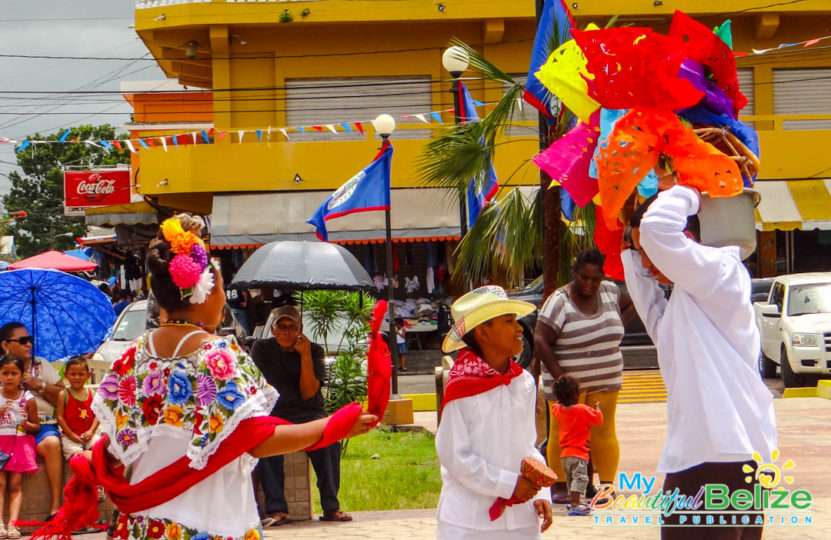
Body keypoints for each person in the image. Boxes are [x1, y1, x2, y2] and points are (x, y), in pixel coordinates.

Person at [80, 215, 377, 540]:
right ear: (203, 292)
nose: (225, 298)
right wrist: (332, 426)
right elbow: (256, 440)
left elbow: (117, 444)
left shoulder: (130, 357)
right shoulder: (217, 357)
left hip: (143, 523)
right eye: (221, 285)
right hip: (206, 519)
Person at [622, 177, 777, 539]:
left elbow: (659, 227)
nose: (646, 263)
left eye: (645, 250)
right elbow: (649, 306)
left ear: (688, 237)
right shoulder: (688, 300)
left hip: (724, 452)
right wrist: (627, 245)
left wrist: (693, 186)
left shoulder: (720, 271)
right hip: (705, 452)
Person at [435, 286, 552, 539]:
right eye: (508, 321)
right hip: (469, 521)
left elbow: (529, 447)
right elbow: (455, 456)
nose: (519, 328)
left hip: (521, 519)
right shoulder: (460, 387)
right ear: (483, 332)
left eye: (516, 321)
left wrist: (540, 492)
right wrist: (509, 485)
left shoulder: (524, 382)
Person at [533, 249, 634, 502]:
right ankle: (559, 485)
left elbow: (633, 302)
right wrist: (560, 379)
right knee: (562, 433)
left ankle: (606, 487)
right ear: (574, 275)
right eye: (583, 278)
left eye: (595, 279)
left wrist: (617, 323)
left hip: (605, 377)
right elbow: (540, 339)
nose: (589, 284)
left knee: (603, 431)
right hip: (567, 385)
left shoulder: (610, 291)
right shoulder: (559, 300)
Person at [251, 305, 352, 526]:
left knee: (329, 442)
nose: (287, 331)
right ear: (274, 329)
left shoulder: (313, 350)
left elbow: (309, 393)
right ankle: (277, 509)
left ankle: (330, 506)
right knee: (267, 446)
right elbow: (258, 387)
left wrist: (304, 355)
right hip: (275, 413)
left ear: (300, 329)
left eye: (292, 326)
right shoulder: (262, 349)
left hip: (309, 412)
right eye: (282, 326)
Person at [0, 323, 64, 520]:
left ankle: (55, 508)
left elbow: (62, 394)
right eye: (22, 340)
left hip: (42, 425)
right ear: (5, 345)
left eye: (30, 340)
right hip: (7, 428)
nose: (28, 344)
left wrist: (40, 386)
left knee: (52, 443)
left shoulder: (41, 364)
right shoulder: (2, 370)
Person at [549, 376, 602, 516]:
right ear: (576, 395)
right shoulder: (582, 409)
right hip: (579, 453)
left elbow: (555, 405)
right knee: (581, 478)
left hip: (565, 454)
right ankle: (575, 503)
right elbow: (598, 419)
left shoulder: (557, 410)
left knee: (571, 480)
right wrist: (597, 408)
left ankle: (573, 500)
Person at [0, 355, 40, 539]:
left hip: (18, 445)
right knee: (0, 484)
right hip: (1, 444)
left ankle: (13, 524)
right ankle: (0, 523)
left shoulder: (28, 399)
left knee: (15, 485)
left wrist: (24, 423)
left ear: (22, 375)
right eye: (5, 373)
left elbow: (36, 426)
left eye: (14, 373)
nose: (9, 377)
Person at [56, 356, 100, 461]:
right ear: (66, 375)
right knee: (78, 459)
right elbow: (60, 417)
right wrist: (71, 435)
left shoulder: (92, 394)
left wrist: (91, 431)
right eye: (73, 374)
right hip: (70, 437)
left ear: (88, 375)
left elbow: (97, 415)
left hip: (89, 435)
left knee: (101, 452)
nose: (77, 377)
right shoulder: (63, 394)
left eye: (81, 374)